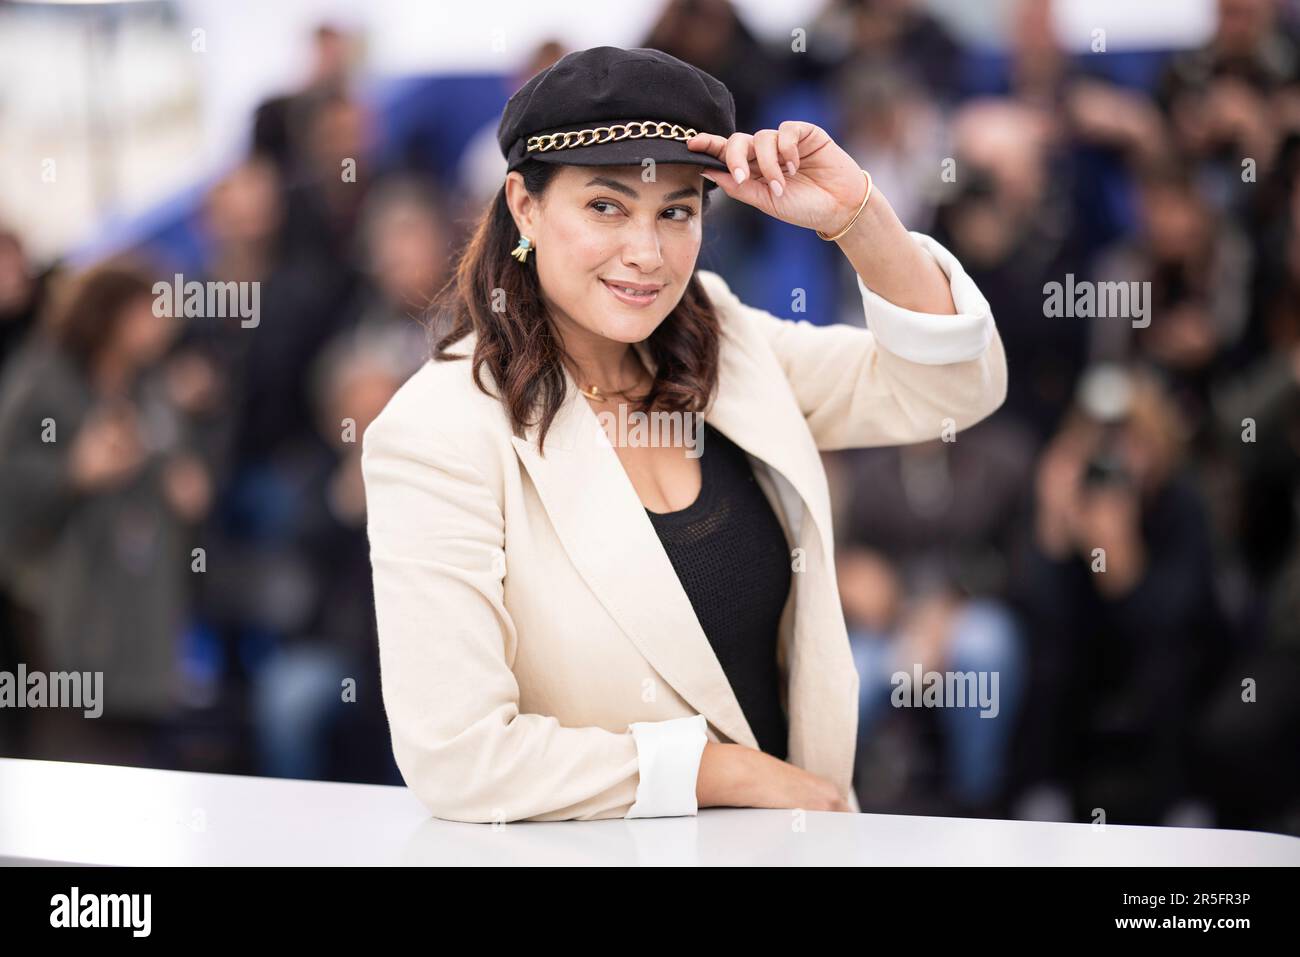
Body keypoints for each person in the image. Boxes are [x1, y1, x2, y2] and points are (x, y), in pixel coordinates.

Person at [361, 46, 1008, 823]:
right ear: (525, 206)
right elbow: (458, 753)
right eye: (606, 206)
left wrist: (857, 219)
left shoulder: (721, 336)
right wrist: (716, 771)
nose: (647, 254)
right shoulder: (438, 430)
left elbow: (949, 387)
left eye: (676, 210)